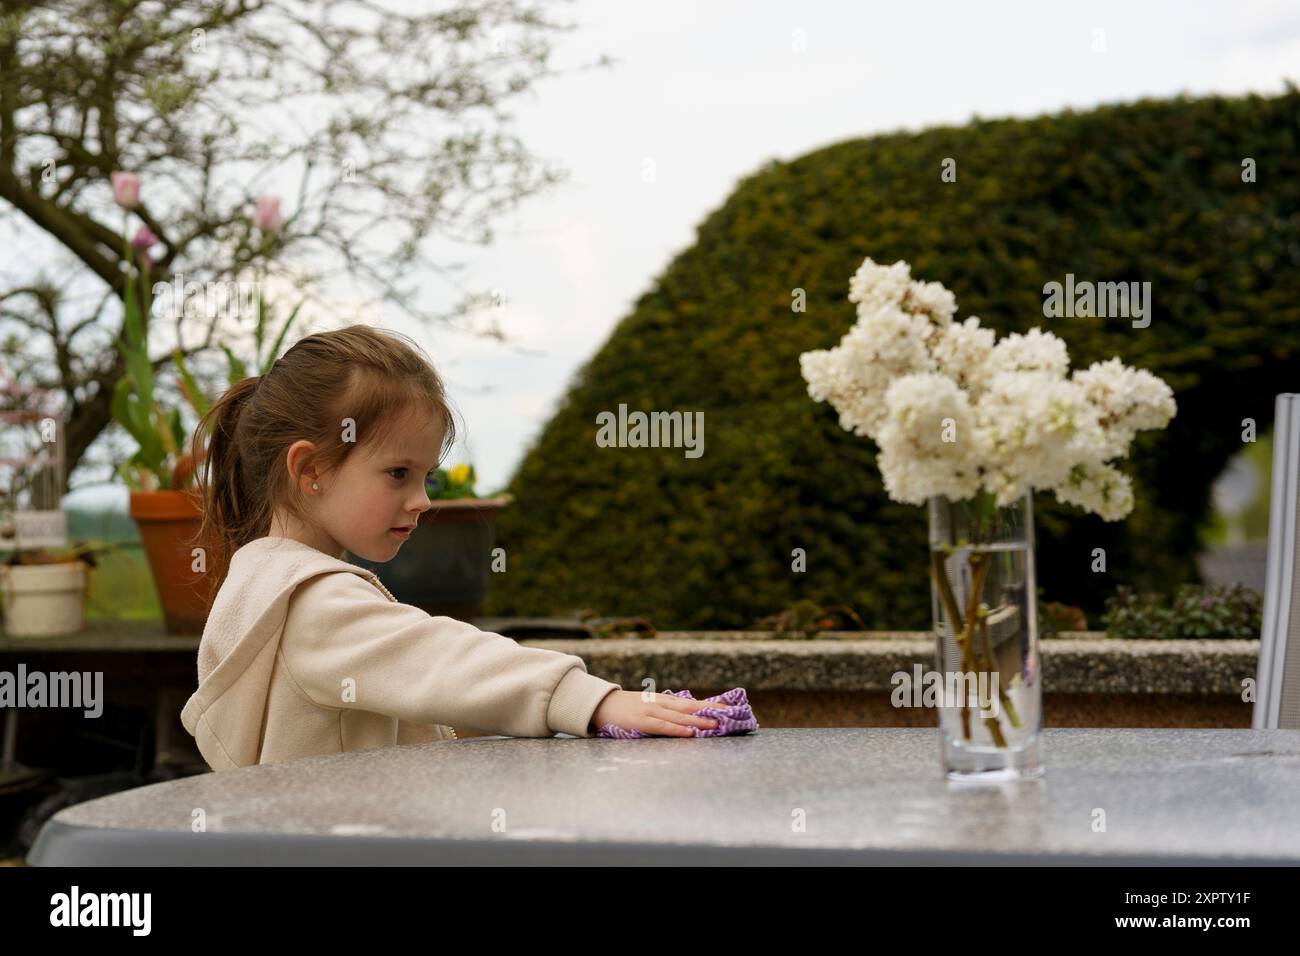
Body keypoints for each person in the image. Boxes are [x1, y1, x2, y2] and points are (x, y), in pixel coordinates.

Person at [179, 325, 716, 769]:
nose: (421, 501)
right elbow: (440, 659)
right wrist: (593, 700)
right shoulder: (309, 603)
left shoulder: (257, 586)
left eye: (427, 477)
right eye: (398, 473)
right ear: (310, 469)